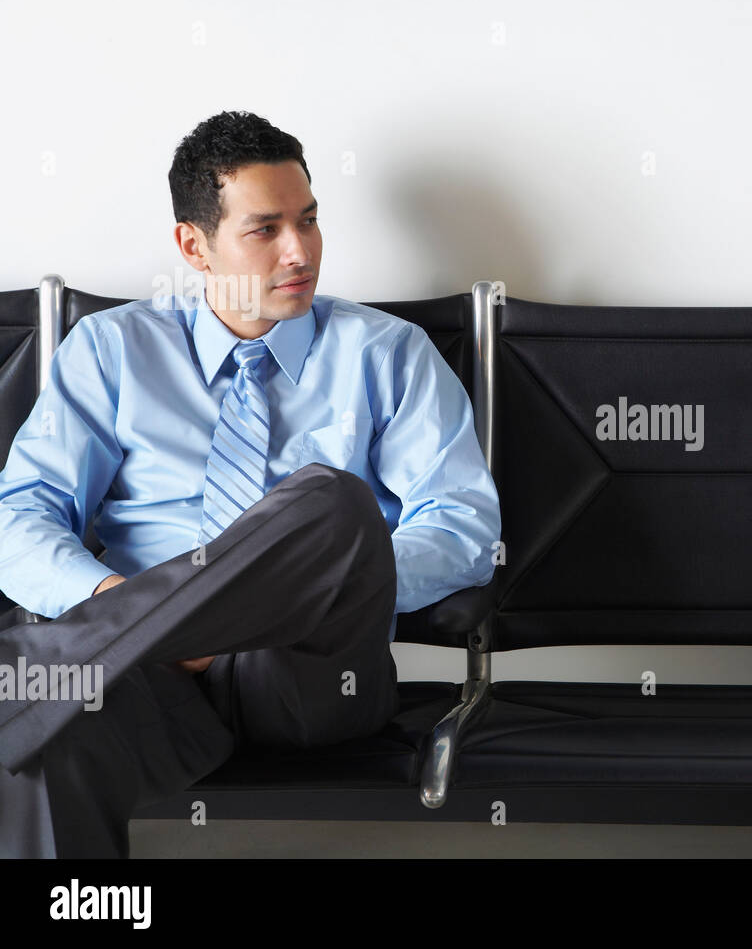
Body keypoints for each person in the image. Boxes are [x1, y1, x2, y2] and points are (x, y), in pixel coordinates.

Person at [0, 111, 501, 857]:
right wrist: (118, 608)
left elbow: (464, 529)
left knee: (332, 501)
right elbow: (20, 519)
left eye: (310, 221)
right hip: (147, 679)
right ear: (193, 246)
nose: (300, 251)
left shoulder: (386, 353)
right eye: (265, 229)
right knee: (50, 735)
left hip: (311, 669)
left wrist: (290, 590)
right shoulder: (111, 351)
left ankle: (91, 646)